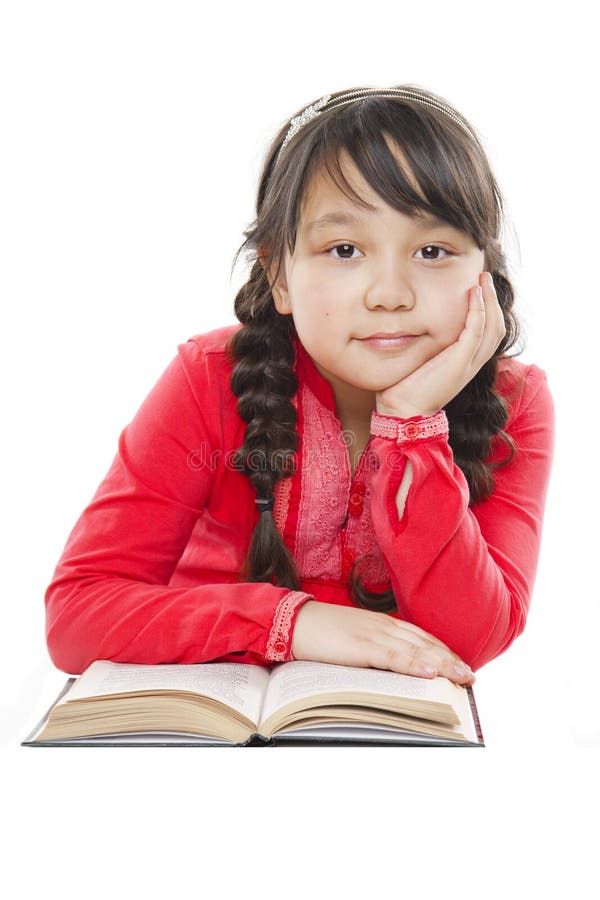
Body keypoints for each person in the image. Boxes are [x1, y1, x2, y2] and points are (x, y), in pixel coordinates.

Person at [44, 84, 554, 687]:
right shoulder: (208, 376)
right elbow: (77, 613)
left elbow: (473, 639)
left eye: (433, 249)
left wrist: (412, 422)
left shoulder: (514, 403)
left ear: (485, 275)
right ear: (278, 276)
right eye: (344, 249)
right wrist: (296, 623)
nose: (389, 294)